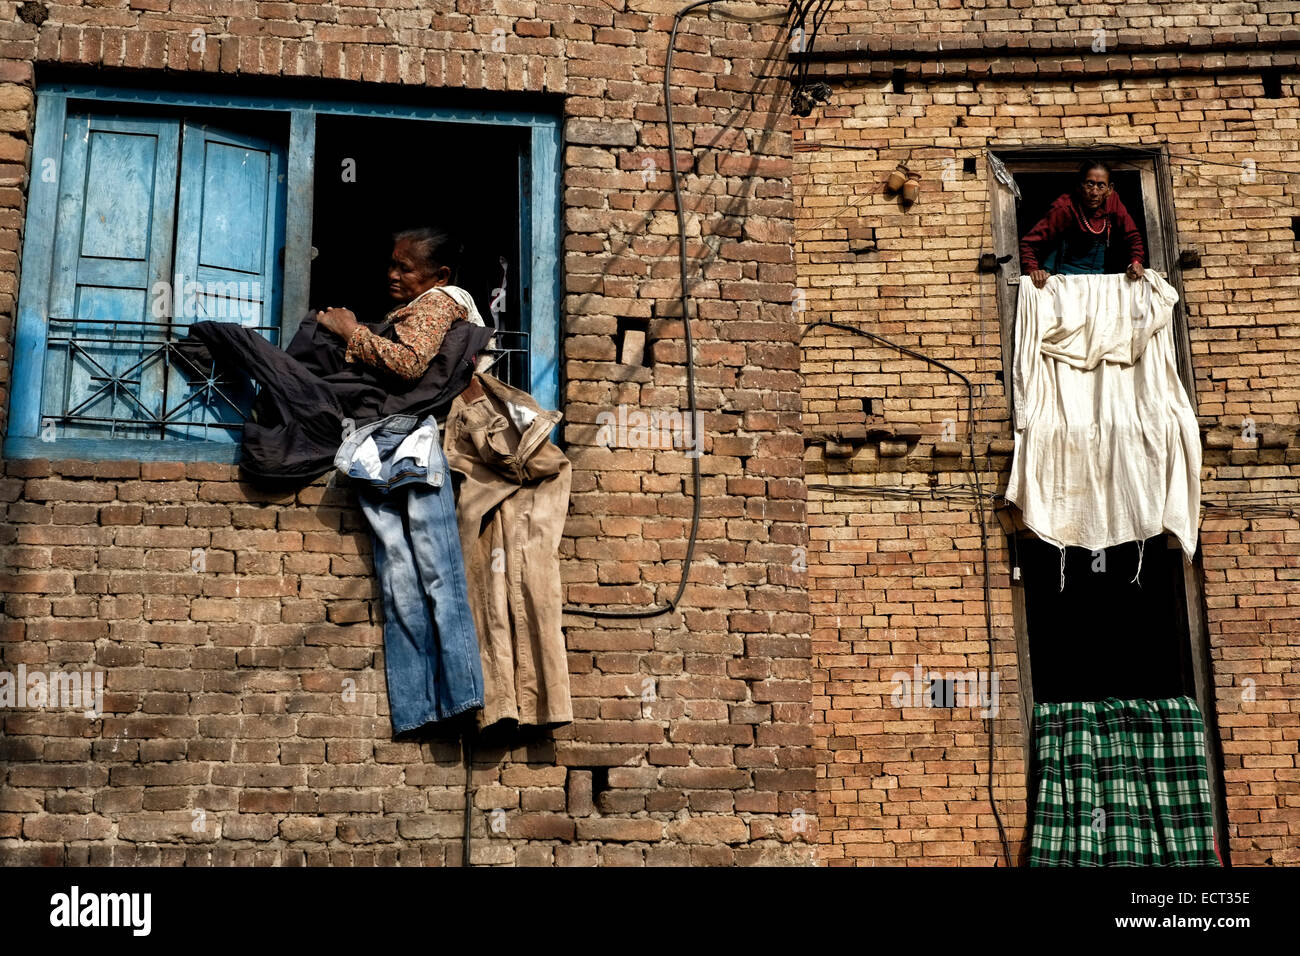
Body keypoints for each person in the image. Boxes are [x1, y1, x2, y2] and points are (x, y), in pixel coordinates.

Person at [1020, 160, 1147, 288]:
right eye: (1089, 184)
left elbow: (1133, 236)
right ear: (1080, 186)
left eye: (1101, 186)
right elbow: (1028, 244)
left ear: (1109, 189)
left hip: (1099, 279)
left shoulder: (1113, 202)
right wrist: (1033, 270)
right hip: (1065, 281)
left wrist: (1136, 262)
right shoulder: (1065, 207)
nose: (1094, 192)